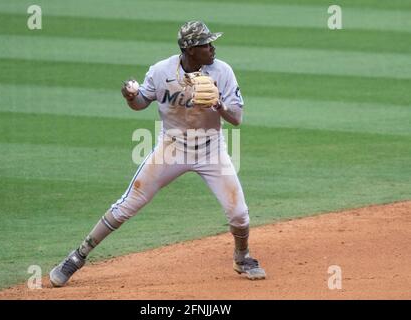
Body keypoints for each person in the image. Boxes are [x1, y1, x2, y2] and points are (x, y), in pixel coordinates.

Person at [49, 20, 266, 287]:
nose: (212, 48)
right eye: (205, 44)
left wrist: (219, 104)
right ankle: (76, 257)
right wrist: (130, 96)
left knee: (239, 214)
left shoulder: (222, 71)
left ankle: (242, 256)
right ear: (189, 49)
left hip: (211, 149)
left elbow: (237, 118)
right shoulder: (161, 71)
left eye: (211, 43)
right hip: (171, 148)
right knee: (127, 204)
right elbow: (141, 102)